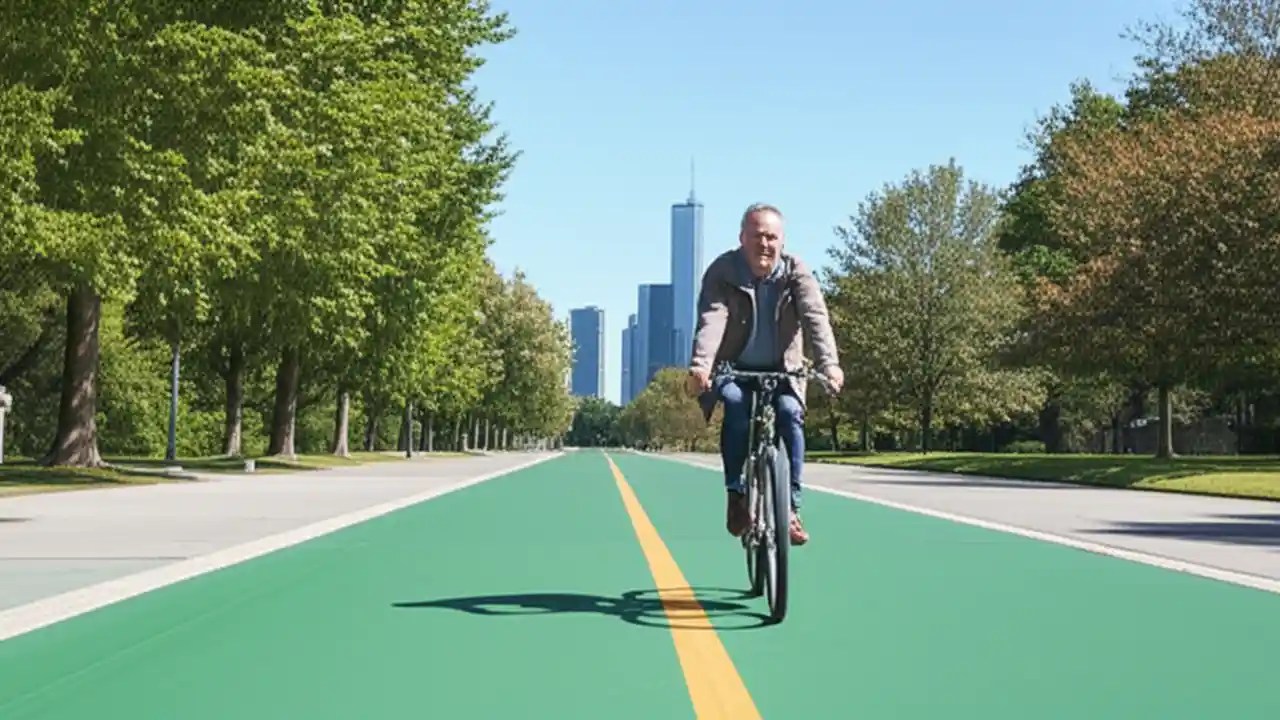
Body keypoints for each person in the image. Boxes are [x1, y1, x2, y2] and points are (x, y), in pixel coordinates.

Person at [685, 202, 843, 546]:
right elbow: (712, 320)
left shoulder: (796, 272)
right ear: (742, 238)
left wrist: (829, 364)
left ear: (782, 242)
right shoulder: (722, 272)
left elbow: (816, 317)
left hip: (784, 370)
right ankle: (736, 495)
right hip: (733, 369)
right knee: (736, 406)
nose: (765, 244)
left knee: (790, 414)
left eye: (772, 237)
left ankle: (792, 508)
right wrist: (701, 366)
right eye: (757, 236)